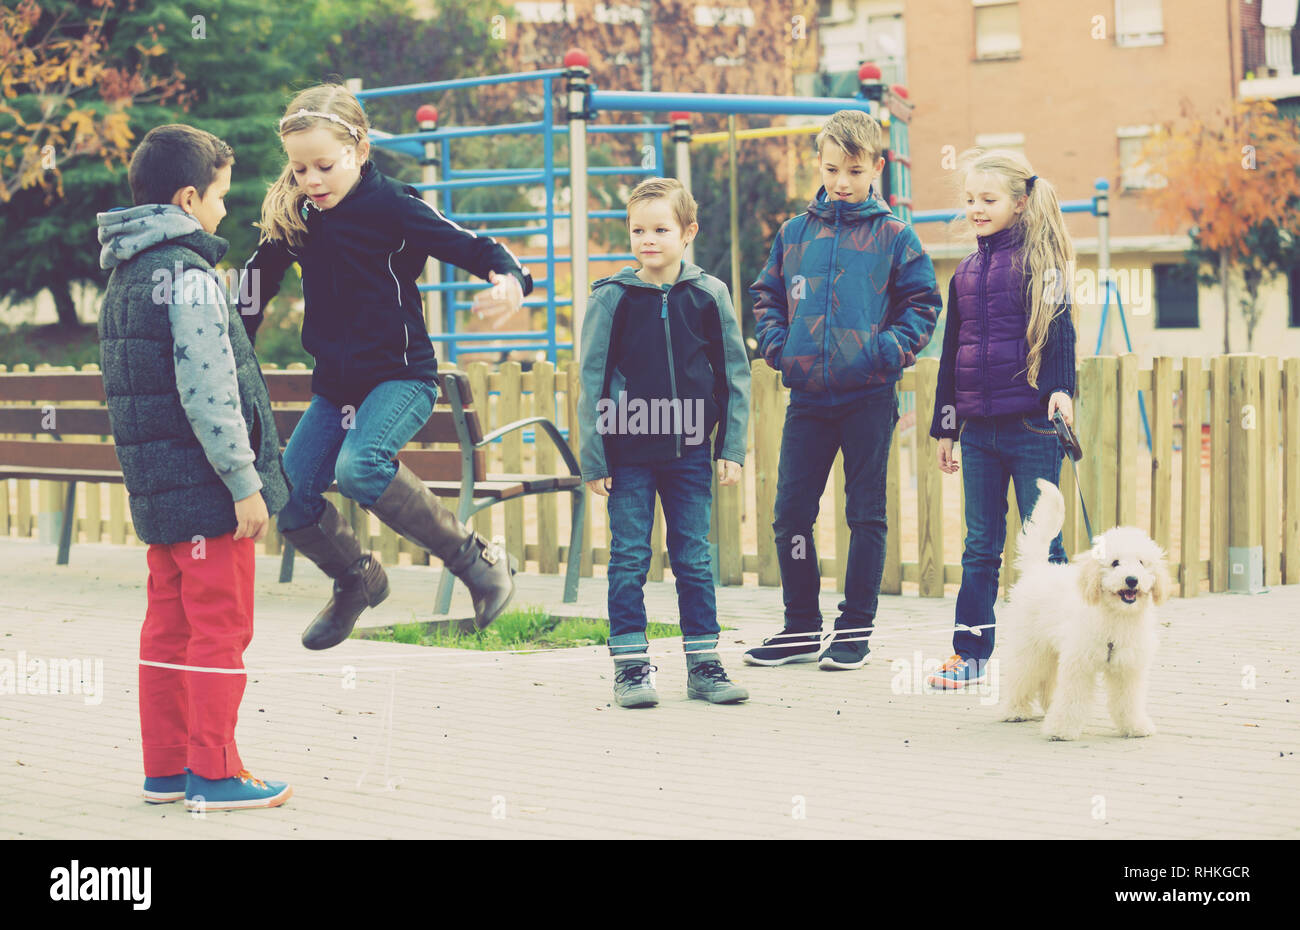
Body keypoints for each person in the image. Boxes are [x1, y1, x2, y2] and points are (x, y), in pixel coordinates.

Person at [237, 84, 531, 649]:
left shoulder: (394, 204)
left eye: (323, 166)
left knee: (361, 467)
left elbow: (475, 245)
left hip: (402, 378)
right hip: (336, 391)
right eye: (299, 170)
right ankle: (356, 581)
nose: (311, 181)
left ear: (359, 149)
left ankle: (480, 563)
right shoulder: (298, 217)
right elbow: (253, 288)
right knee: (289, 495)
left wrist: (512, 281)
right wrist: (229, 343)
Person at [97, 124, 292, 810]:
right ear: (186, 198)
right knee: (219, 630)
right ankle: (215, 772)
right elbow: (209, 395)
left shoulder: (124, 275)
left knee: (169, 628)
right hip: (209, 493)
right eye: (218, 197)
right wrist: (245, 484)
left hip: (160, 497)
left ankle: (167, 769)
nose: (224, 212)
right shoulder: (188, 276)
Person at [744, 109, 942, 671]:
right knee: (791, 515)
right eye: (833, 169)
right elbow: (766, 297)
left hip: (868, 397)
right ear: (819, 165)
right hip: (808, 398)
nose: (842, 182)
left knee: (865, 515)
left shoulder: (895, 237)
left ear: (877, 167)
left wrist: (884, 352)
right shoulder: (794, 234)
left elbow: (923, 306)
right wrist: (782, 349)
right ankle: (801, 628)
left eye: (855, 170)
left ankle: (854, 631)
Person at [578, 177, 752, 707]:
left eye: (660, 229)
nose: (647, 239)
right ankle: (631, 669)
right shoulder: (612, 298)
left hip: (691, 454)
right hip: (628, 455)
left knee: (693, 557)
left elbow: (734, 375)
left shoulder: (709, 295)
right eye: (637, 230)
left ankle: (704, 665)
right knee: (629, 556)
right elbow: (590, 378)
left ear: (688, 232)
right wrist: (595, 457)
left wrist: (732, 447)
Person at [926, 148, 1078, 689]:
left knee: (1047, 542)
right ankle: (969, 654)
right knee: (979, 547)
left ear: (1018, 202)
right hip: (978, 433)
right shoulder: (964, 273)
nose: (977, 208)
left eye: (988, 199)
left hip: (1033, 428)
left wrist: (1062, 391)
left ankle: (1062, 653)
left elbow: (1061, 334)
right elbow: (951, 355)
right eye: (970, 200)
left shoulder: (1047, 267)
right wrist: (946, 424)